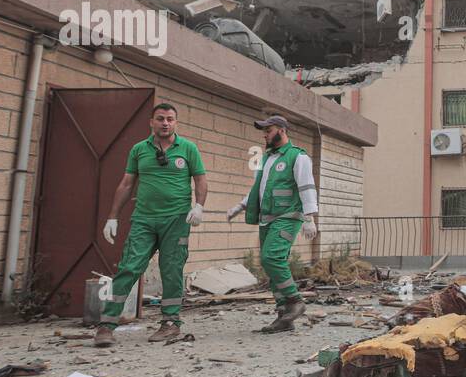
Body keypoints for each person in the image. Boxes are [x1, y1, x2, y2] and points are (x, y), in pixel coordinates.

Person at [95, 102, 207, 346]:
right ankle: (106, 325)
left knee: (172, 270)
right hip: (143, 220)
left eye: (169, 119)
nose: (165, 123)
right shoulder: (139, 150)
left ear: (175, 123)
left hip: (176, 220)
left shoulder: (188, 148)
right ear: (151, 122)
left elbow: (200, 179)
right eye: (160, 119)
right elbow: (126, 184)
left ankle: (170, 323)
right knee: (129, 267)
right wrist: (112, 216)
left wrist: (198, 206)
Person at [227, 114, 319, 332]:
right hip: (267, 219)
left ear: (282, 130)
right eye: (264, 132)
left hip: (289, 216)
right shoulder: (268, 158)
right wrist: (241, 206)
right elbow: (260, 188)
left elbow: (307, 187)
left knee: (271, 257)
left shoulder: (298, 157)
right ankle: (283, 317)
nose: (265, 135)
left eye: (268, 131)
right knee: (270, 264)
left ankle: (295, 301)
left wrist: (310, 218)